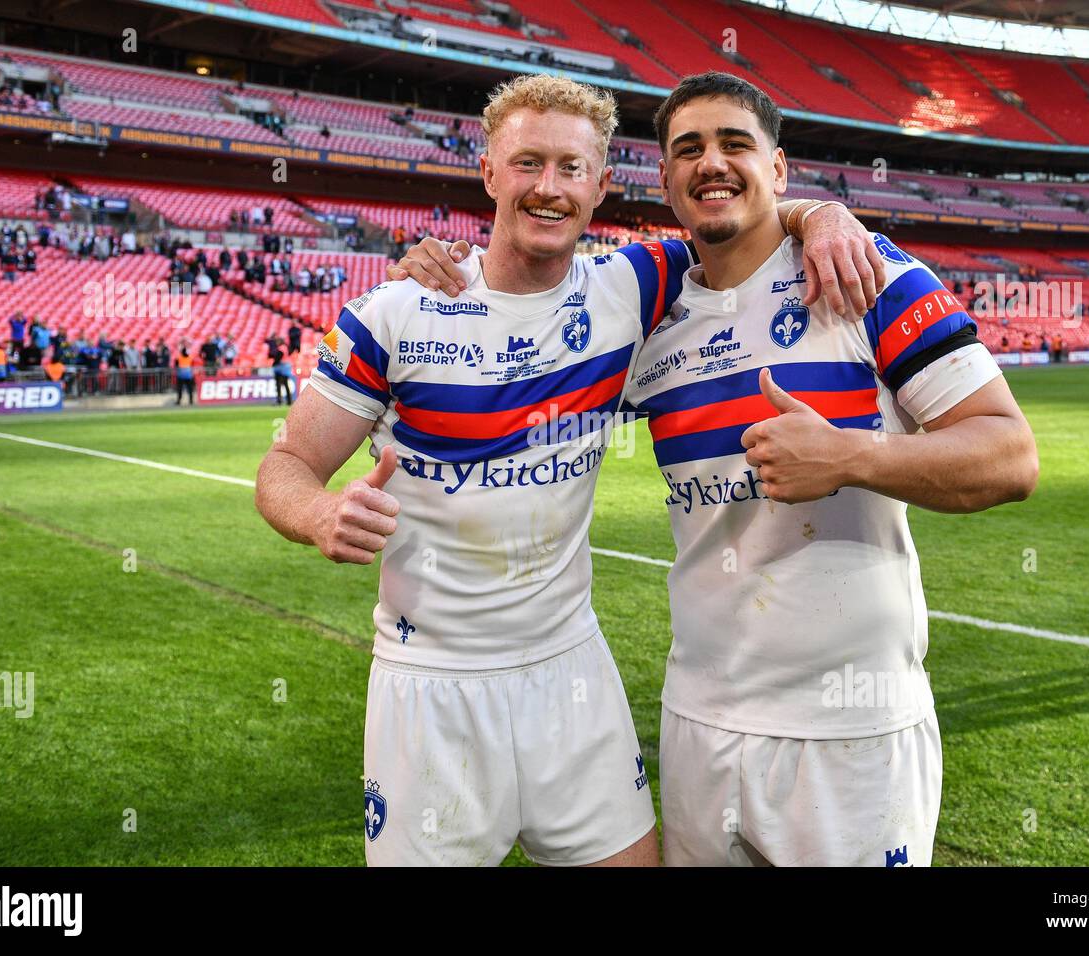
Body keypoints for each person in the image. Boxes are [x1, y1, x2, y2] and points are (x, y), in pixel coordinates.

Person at [395, 72, 1036, 868]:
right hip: (698, 721)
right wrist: (440, 275)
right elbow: (519, 328)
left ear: (780, 167)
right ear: (664, 179)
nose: (712, 163)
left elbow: (1009, 456)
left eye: (736, 144)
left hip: (849, 726)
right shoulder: (648, 319)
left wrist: (853, 456)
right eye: (688, 149)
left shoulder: (868, 277)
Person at [256, 73, 881, 868]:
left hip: (571, 672)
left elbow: (737, 212)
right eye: (527, 164)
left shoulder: (630, 286)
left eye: (570, 169)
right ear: (488, 173)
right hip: (431, 683)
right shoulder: (396, 313)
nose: (548, 188)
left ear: (599, 187)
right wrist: (316, 515)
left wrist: (823, 212)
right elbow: (286, 464)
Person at [270, 339, 293, 405]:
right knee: (285, 385)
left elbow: (279, 356)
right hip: (285, 368)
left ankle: (279, 400)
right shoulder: (285, 347)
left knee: (279, 385)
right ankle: (289, 401)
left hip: (281, 368)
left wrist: (274, 363)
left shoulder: (281, 348)